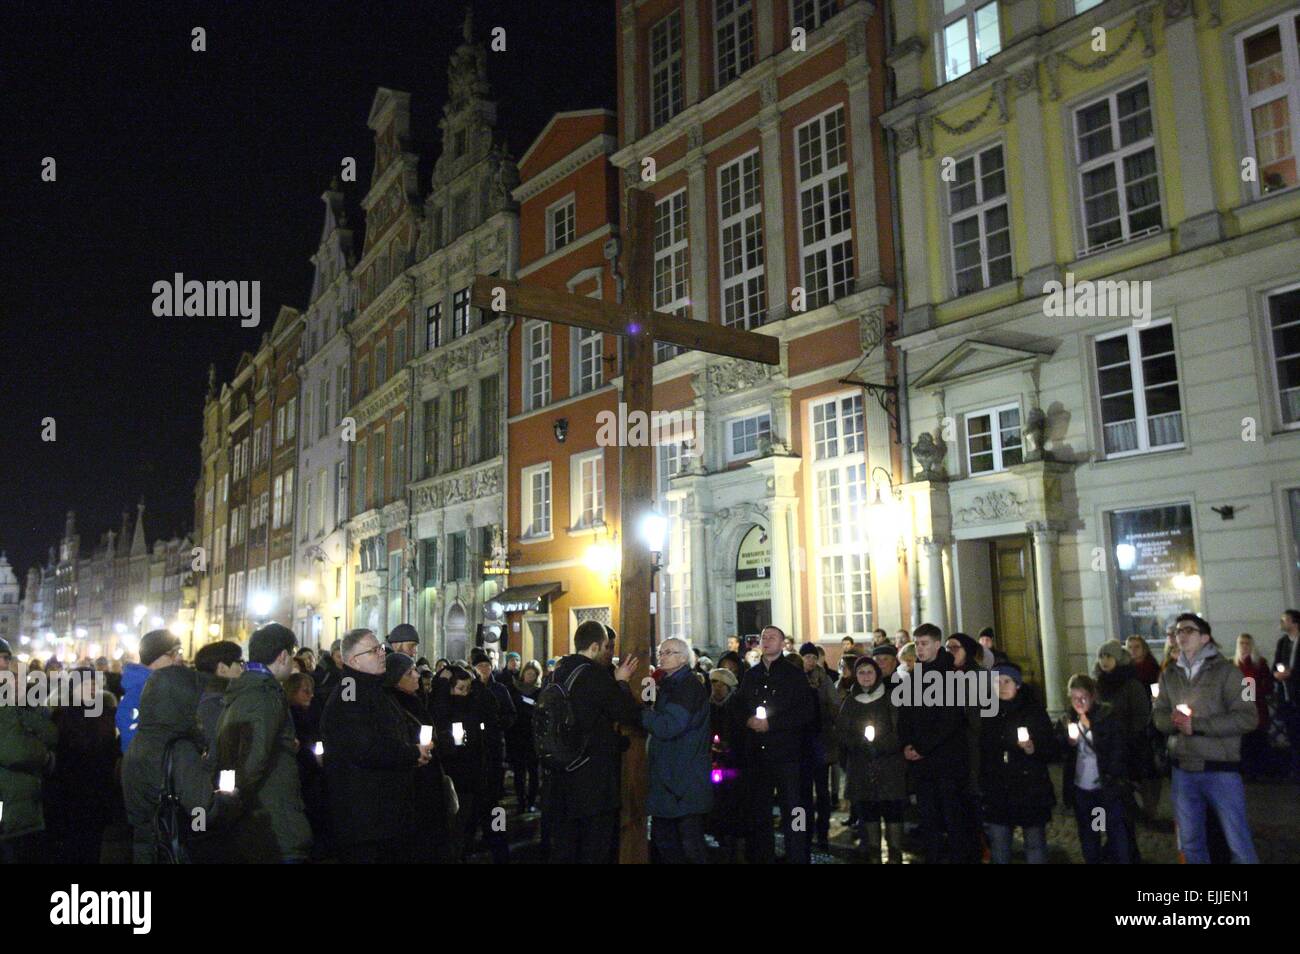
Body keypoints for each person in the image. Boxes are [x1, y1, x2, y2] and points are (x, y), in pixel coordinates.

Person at [1153, 613, 1259, 864]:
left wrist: (1197, 725)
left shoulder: (1230, 673)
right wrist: (1173, 722)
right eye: (1178, 631)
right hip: (1182, 770)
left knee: (1238, 842)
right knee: (1190, 844)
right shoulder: (1169, 675)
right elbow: (1158, 715)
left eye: (1189, 630)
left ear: (1205, 637)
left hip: (1220, 770)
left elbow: (1248, 717)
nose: (1181, 635)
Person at [320, 628, 432, 863]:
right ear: (353, 661)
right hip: (367, 820)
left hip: (385, 817)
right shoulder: (350, 692)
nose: (382, 654)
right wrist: (411, 753)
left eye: (380, 648)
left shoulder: (374, 689)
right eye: (373, 651)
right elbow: (364, 748)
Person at [543, 621, 642, 863]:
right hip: (593, 780)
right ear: (596, 646)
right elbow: (627, 713)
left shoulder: (558, 671)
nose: (610, 652)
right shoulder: (594, 675)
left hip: (560, 774)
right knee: (594, 848)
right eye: (607, 646)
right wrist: (621, 682)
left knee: (567, 847)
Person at [214, 623, 313, 864]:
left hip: (259, 820)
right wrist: (236, 797)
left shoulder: (244, 691)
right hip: (273, 820)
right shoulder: (264, 695)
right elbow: (254, 757)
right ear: (282, 656)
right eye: (292, 655)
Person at [122, 665, 239, 863]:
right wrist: (228, 800)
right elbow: (201, 813)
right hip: (176, 850)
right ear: (182, 701)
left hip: (145, 848)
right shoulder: (179, 749)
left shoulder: (139, 741)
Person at [897, 623, 977, 864]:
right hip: (921, 765)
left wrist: (922, 748)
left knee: (953, 818)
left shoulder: (951, 676)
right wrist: (906, 745)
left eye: (924, 644)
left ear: (936, 645)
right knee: (928, 818)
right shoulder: (914, 677)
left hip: (947, 762)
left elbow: (950, 720)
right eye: (917, 644)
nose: (919, 649)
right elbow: (905, 716)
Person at [735, 625, 814, 864]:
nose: (767, 641)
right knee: (760, 811)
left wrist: (773, 724)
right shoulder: (751, 675)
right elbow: (738, 704)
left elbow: (806, 712)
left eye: (772, 637)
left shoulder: (794, 675)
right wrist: (748, 720)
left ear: (782, 644)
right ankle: (762, 855)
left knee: (794, 809)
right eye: (763, 637)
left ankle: (798, 855)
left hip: (788, 754)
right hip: (758, 755)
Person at [642, 638, 712, 863]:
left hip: (682, 778)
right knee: (668, 839)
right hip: (672, 777)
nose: (661, 656)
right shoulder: (670, 684)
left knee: (688, 842)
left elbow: (669, 726)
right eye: (660, 652)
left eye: (668, 652)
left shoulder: (687, 687)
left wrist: (641, 714)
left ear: (683, 658)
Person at [979, 664, 1054, 864]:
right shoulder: (986, 712)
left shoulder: (1033, 710)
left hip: (1030, 787)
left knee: (1034, 843)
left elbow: (1051, 747)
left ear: (1017, 685)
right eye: (997, 682)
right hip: (998, 789)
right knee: (1000, 845)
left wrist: (1032, 748)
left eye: (1007, 681)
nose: (1002, 686)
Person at [47, 665, 119, 864]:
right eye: (87, 683)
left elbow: (111, 748)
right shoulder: (61, 715)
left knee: (93, 845)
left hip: (99, 790)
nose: (93, 687)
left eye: (95, 683)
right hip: (70, 792)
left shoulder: (107, 713)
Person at [836, 656, 905, 863]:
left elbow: (900, 729)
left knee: (892, 810)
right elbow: (841, 731)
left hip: (889, 765)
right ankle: (874, 851)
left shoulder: (890, 697)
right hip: (861, 765)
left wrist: (882, 745)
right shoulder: (851, 701)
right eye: (861, 672)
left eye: (869, 672)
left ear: (877, 674)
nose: (866, 677)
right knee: (869, 811)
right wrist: (860, 743)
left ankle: (895, 853)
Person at [386, 651, 450, 863]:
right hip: (414, 785)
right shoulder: (393, 706)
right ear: (396, 678)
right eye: (410, 672)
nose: (416, 676)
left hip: (428, 777)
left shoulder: (415, 700)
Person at [1062, 673, 1133, 864]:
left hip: (1105, 788)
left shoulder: (1106, 716)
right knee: (1091, 831)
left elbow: (1117, 750)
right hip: (1083, 789)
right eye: (1074, 698)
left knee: (1115, 833)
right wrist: (1067, 742)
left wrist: (1090, 728)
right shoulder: (1069, 718)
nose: (1079, 702)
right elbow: (1060, 752)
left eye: (1083, 697)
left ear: (1093, 696)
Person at [0, 640, 59, 864]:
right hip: (8, 805)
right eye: (2, 658)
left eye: (8, 658)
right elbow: (14, 751)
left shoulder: (19, 705)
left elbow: (52, 733)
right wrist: (45, 757)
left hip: (20, 805)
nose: (6, 664)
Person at [1094, 640, 1155, 827]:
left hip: (1129, 741)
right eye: (1102, 657)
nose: (1104, 661)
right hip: (1105, 742)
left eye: (1109, 656)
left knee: (1131, 782)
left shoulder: (1131, 684)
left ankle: (1137, 817)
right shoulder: (1098, 684)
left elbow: (1141, 714)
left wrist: (1128, 735)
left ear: (1118, 658)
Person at [117, 629, 184, 754]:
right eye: (175, 653)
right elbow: (134, 745)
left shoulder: (171, 686)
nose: (180, 658)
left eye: (180, 652)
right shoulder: (138, 693)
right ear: (155, 656)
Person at [799, 641, 838, 851]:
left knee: (822, 792)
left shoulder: (825, 680)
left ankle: (823, 834)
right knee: (802, 793)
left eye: (814, 657)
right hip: (802, 745)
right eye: (807, 657)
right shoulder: (795, 678)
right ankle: (802, 832)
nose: (811, 661)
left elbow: (834, 707)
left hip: (821, 742)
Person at [283, 671, 328, 855]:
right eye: (305, 691)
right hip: (302, 775)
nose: (310, 695)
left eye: (311, 690)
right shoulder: (290, 717)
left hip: (314, 772)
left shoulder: (313, 712)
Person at [1234, 633, 1274, 780]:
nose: (1244, 646)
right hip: (1240, 708)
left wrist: (1255, 691)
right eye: (1242, 643)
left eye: (1247, 643)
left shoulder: (1259, 663)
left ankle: (1261, 770)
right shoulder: (1234, 664)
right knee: (1244, 741)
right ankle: (1247, 770)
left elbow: (1268, 685)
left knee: (1259, 739)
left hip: (1257, 707)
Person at [193, 640, 244, 755]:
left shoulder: (200, 694)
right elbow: (221, 752)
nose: (243, 669)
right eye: (240, 663)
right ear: (222, 668)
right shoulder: (214, 703)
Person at [509, 660, 543, 813]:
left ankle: (531, 801)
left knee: (533, 771)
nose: (530, 676)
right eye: (528, 673)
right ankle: (520, 800)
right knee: (519, 771)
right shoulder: (515, 689)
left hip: (533, 736)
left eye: (533, 674)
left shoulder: (540, 690)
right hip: (517, 735)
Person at [1274, 609, 1300, 781]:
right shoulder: (1282, 642)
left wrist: (1293, 673)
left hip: (1296, 691)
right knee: (1292, 734)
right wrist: (1277, 674)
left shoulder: (1255, 662)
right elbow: (1274, 666)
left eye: (1285, 620)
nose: (1282, 623)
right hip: (1286, 695)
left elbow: (1251, 683)